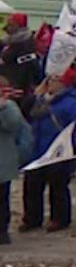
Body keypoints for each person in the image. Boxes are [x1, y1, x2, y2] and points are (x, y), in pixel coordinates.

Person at [22, 69, 76, 232]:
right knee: (32, 186)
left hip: (58, 152)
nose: (50, 83)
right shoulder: (42, 100)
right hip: (38, 150)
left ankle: (60, 218)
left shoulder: (74, 103)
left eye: (55, 80)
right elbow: (27, 111)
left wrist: (71, 146)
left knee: (58, 187)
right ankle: (32, 218)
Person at [0, 82, 25, 245]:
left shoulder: (8, 106)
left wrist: (3, 109)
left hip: (2, 161)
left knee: (2, 198)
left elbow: (15, 125)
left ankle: (2, 231)